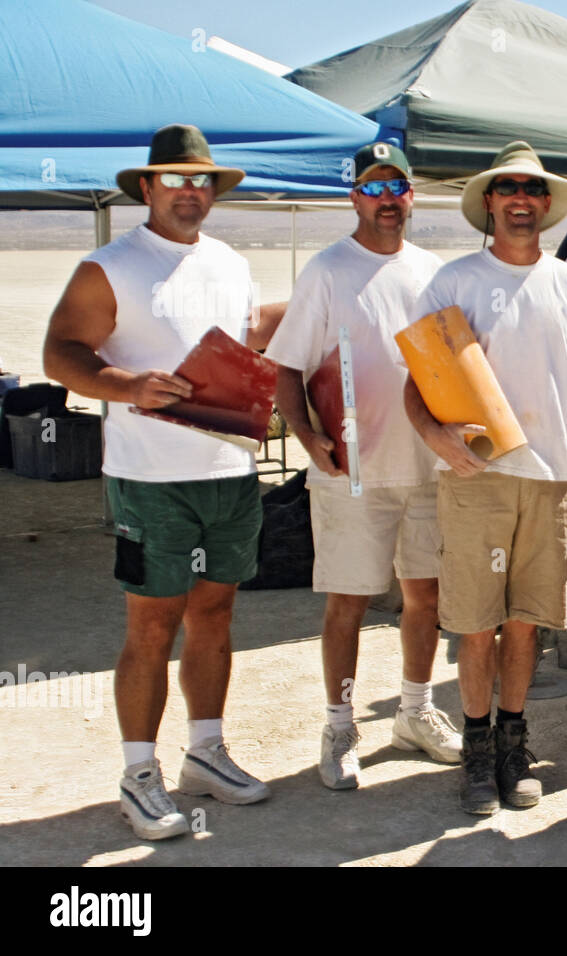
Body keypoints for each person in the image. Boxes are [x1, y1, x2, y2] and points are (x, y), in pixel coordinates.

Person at [43, 124, 283, 840]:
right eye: (175, 179)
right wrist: (125, 384)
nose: (189, 192)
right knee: (150, 627)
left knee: (215, 617)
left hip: (229, 473)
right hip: (150, 478)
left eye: (201, 180)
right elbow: (60, 350)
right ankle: (138, 773)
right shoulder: (109, 266)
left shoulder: (232, 263)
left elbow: (243, 339)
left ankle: (205, 752)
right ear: (146, 187)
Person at [404, 141, 567, 815]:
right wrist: (437, 438)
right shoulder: (453, 281)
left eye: (533, 188)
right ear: (489, 202)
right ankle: (476, 751)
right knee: (474, 625)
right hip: (476, 479)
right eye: (508, 188)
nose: (522, 198)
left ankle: (514, 745)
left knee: (526, 625)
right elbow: (418, 386)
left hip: (551, 481)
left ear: (547, 204)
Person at [264, 142, 459, 790]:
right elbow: (286, 367)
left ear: (411, 196)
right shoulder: (326, 270)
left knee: (424, 597)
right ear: (353, 197)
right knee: (347, 602)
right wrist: (305, 437)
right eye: (373, 189)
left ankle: (414, 712)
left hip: (427, 470)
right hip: (352, 474)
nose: (387, 201)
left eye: (397, 187)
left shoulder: (434, 272)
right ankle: (340, 724)